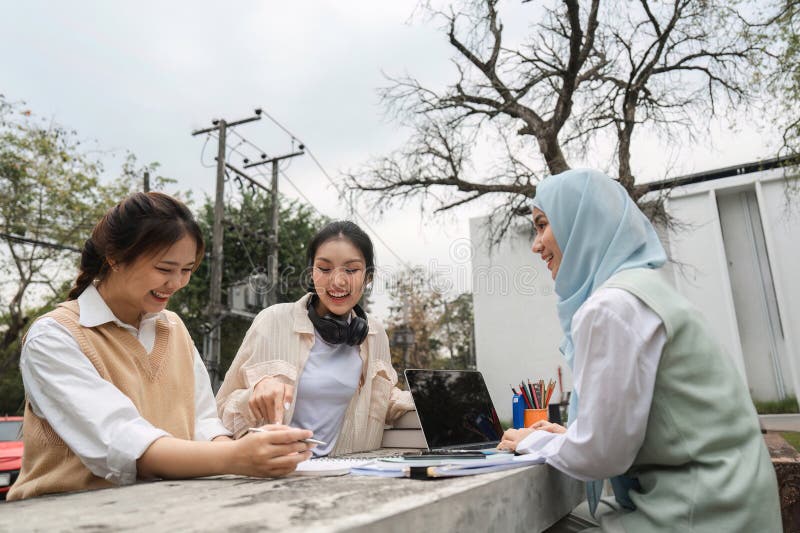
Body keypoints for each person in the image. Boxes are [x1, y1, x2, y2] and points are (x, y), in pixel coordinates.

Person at [498, 169, 781, 531]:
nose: (536, 244)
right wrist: (568, 437)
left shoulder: (610, 307)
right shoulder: (641, 291)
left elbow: (601, 455)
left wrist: (532, 440)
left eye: (542, 225)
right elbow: (647, 427)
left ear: (580, 224)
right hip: (727, 500)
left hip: (699, 512)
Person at [8, 192, 313, 501]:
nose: (177, 283)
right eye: (165, 269)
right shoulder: (54, 337)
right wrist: (236, 456)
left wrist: (256, 448)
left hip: (161, 511)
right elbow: (123, 442)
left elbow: (203, 423)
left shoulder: (174, 328)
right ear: (114, 257)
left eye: (187, 270)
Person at [216, 221, 413, 456]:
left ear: (368, 277)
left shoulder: (376, 334)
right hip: (274, 474)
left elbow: (385, 399)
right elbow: (220, 411)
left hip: (349, 476)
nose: (338, 281)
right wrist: (255, 393)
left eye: (351, 270)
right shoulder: (273, 320)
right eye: (325, 269)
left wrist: (428, 400)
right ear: (311, 273)